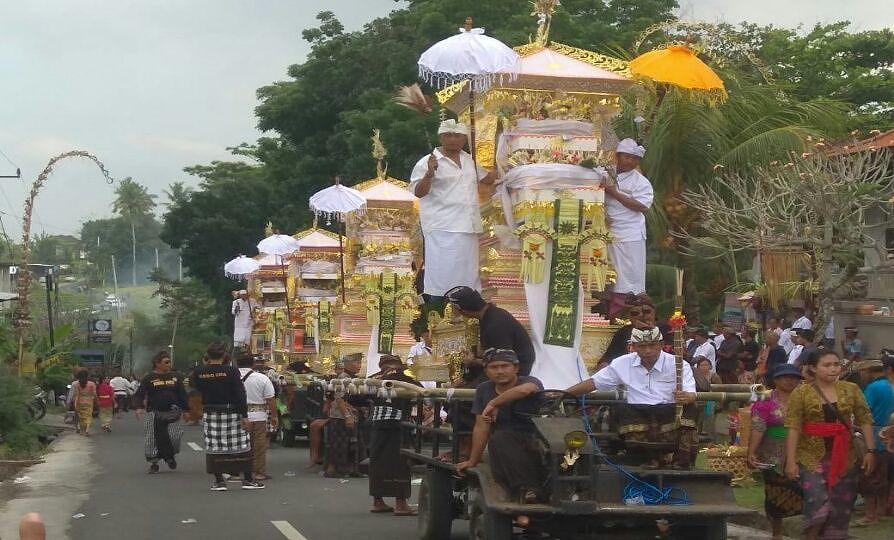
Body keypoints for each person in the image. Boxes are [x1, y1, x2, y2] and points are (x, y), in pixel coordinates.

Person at [567, 327, 697, 468]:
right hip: (636, 414)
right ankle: (642, 457)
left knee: (691, 409)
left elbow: (691, 393)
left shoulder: (678, 364)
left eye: (652, 345)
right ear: (633, 347)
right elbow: (594, 382)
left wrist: (686, 397)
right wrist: (564, 393)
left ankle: (680, 461)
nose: (647, 351)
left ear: (661, 345)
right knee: (616, 409)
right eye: (642, 346)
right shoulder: (622, 363)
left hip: (668, 413)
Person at [784, 350, 876, 540]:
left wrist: (870, 450)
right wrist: (791, 461)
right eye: (827, 365)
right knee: (817, 501)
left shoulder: (851, 389)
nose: (833, 369)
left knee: (842, 504)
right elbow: (794, 427)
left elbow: (865, 418)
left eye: (836, 364)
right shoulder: (801, 392)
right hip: (811, 456)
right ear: (813, 368)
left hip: (845, 456)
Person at [409, 119, 498, 301]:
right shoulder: (427, 162)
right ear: (441, 137)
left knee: (468, 277)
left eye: (457, 136)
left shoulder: (469, 161)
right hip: (443, 227)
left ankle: (465, 316)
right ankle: (439, 318)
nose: (452, 139)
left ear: (464, 139)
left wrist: (504, 160)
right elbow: (419, 192)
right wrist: (429, 174)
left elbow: (488, 179)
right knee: (442, 277)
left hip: (468, 226)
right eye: (448, 135)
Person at [457, 349, 546, 504]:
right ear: (486, 370)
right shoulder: (484, 390)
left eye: (505, 366)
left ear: (516, 368)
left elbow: (527, 390)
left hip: (536, 437)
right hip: (505, 442)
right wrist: (473, 460)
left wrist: (494, 402)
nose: (500, 371)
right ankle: (526, 490)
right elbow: (481, 427)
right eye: (494, 367)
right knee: (500, 438)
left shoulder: (529, 381)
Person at [192, 342, 264, 491]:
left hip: (211, 412)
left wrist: (206, 367)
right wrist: (244, 415)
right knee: (242, 446)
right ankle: (248, 480)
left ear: (207, 356)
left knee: (214, 445)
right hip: (232, 411)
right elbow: (239, 394)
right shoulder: (231, 371)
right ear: (224, 355)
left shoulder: (200, 372)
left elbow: (197, 388)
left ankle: (219, 481)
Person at [747, 364, 805, 540]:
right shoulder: (765, 400)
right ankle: (777, 532)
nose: (790, 380)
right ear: (776, 380)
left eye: (794, 377)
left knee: (805, 490)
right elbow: (758, 426)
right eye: (785, 377)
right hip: (772, 452)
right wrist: (752, 452)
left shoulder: (806, 398)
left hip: (803, 450)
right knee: (775, 494)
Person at [602, 138, 653, 309]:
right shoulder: (605, 173)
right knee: (610, 274)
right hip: (607, 232)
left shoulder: (641, 182)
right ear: (618, 156)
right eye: (626, 157)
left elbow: (642, 206)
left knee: (630, 277)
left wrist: (614, 193)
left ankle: (627, 311)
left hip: (630, 233)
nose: (630, 161)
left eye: (634, 158)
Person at [368, 355, 422, 516]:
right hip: (398, 425)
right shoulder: (404, 379)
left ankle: (378, 501)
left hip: (377, 423)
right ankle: (400, 503)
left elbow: (358, 395)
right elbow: (421, 392)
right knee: (400, 461)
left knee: (377, 460)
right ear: (399, 366)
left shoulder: (373, 379)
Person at [445, 286, 535, 376]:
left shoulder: (494, 325)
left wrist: (474, 361)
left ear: (463, 311)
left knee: (466, 387)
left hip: (513, 371)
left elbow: (502, 361)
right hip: (503, 363)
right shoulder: (489, 314)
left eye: (454, 309)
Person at [133, 351, 188, 474]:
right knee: (152, 438)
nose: (169, 364)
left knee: (174, 437)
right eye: (166, 362)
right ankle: (154, 462)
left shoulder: (175, 377)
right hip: (154, 412)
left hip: (173, 412)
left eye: (169, 362)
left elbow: (182, 394)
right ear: (157, 363)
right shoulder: (149, 378)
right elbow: (139, 394)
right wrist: (138, 408)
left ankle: (169, 457)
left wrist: (186, 410)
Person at [854, 358, 894, 526]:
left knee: (869, 475)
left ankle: (871, 515)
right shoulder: (890, 386)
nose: (862, 375)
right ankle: (881, 510)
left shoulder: (874, 387)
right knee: (884, 475)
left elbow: (863, 412)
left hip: (874, 434)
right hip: (889, 435)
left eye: (863, 371)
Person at [236, 353, 277, 481]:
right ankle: (259, 472)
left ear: (237, 364)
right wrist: (274, 416)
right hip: (259, 416)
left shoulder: (232, 377)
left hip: (238, 416)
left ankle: (238, 471)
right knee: (259, 446)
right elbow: (270, 399)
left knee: (240, 444)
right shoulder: (262, 378)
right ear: (253, 364)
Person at [324, 355, 364, 477]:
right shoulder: (343, 378)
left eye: (360, 363)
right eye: (357, 363)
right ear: (348, 364)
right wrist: (347, 416)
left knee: (353, 443)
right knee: (338, 444)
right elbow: (339, 399)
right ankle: (332, 470)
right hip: (340, 416)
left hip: (350, 413)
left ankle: (352, 469)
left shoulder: (353, 378)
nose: (359, 365)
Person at [694, 357, 721, 439]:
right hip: (697, 399)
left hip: (711, 399)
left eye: (707, 365)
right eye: (702, 365)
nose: (705, 367)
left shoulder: (714, 375)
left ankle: (708, 434)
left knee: (709, 409)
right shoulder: (694, 375)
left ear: (710, 366)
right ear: (698, 366)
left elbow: (719, 389)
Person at [68, 369, 97, 436]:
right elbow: (94, 394)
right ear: (87, 376)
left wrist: (75, 404)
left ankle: (81, 431)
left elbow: (77, 395)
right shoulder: (91, 384)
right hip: (89, 402)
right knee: (88, 416)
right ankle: (87, 430)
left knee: (81, 417)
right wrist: (96, 401)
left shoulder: (77, 384)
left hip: (80, 402)